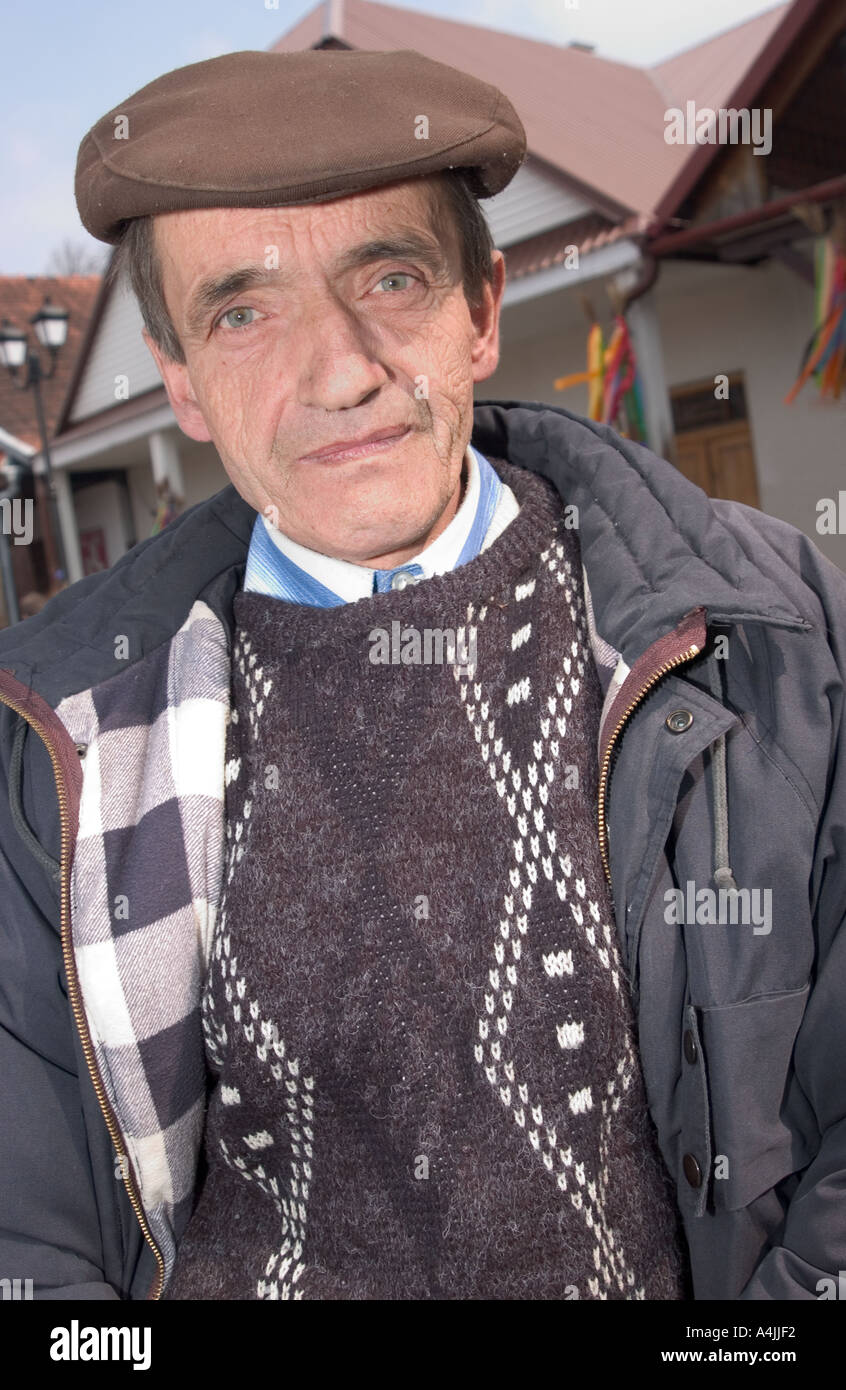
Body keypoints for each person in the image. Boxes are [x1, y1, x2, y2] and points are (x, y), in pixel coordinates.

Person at [0, 47, 844, 1303]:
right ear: (176, 378)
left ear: (483, 309)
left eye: (389, 277)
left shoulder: (785, 635)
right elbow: (35, 1248)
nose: (340, 371)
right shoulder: (50, 741)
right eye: (243, 312)